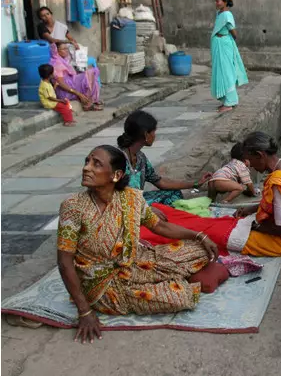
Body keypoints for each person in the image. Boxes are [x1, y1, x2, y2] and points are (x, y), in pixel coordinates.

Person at [57, 145, 219, 343]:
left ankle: (171, 275)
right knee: (179, 297)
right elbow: (64, 262)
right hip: (102, 283)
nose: (86, 168)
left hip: (134, 261)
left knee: (198, 250)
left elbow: (160, 227)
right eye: (87, 162)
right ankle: (173, 279)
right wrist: (84, 312)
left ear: (116, 175)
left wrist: (199, 236)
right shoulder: (73, 207)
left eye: (96, 164)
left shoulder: (131, 198)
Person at [117, 110, 212, 206]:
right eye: (154, 131)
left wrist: (195, 184)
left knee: (174, 194)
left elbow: (160, 182)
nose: (155, 135)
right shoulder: (118, 159)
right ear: (146, 134)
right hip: (122, 207)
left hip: (138, 203)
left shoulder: (140, 157)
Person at [211, 0, 248, 113]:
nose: (216, 3)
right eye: (215, 0)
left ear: (225, 2)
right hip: (219, 45)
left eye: (218, 0)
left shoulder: (227, 15)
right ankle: (227, 100)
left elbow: (234, 32)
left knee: (226, 71)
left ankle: (229, 102)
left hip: (225, 45)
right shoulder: (219, 13)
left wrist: (226, 36)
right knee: (221, 71)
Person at [49, 43, 103, 111]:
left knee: (92, 72)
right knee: (88, 75)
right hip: (64, 91)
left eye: (66, 48)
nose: (66, 50)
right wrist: (78, 93)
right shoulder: (56, 63)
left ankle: (90, 100)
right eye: (64, 49)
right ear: (57, 51)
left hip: (71, 83)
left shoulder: (64, 60)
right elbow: (60, 83)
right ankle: (87, 103)